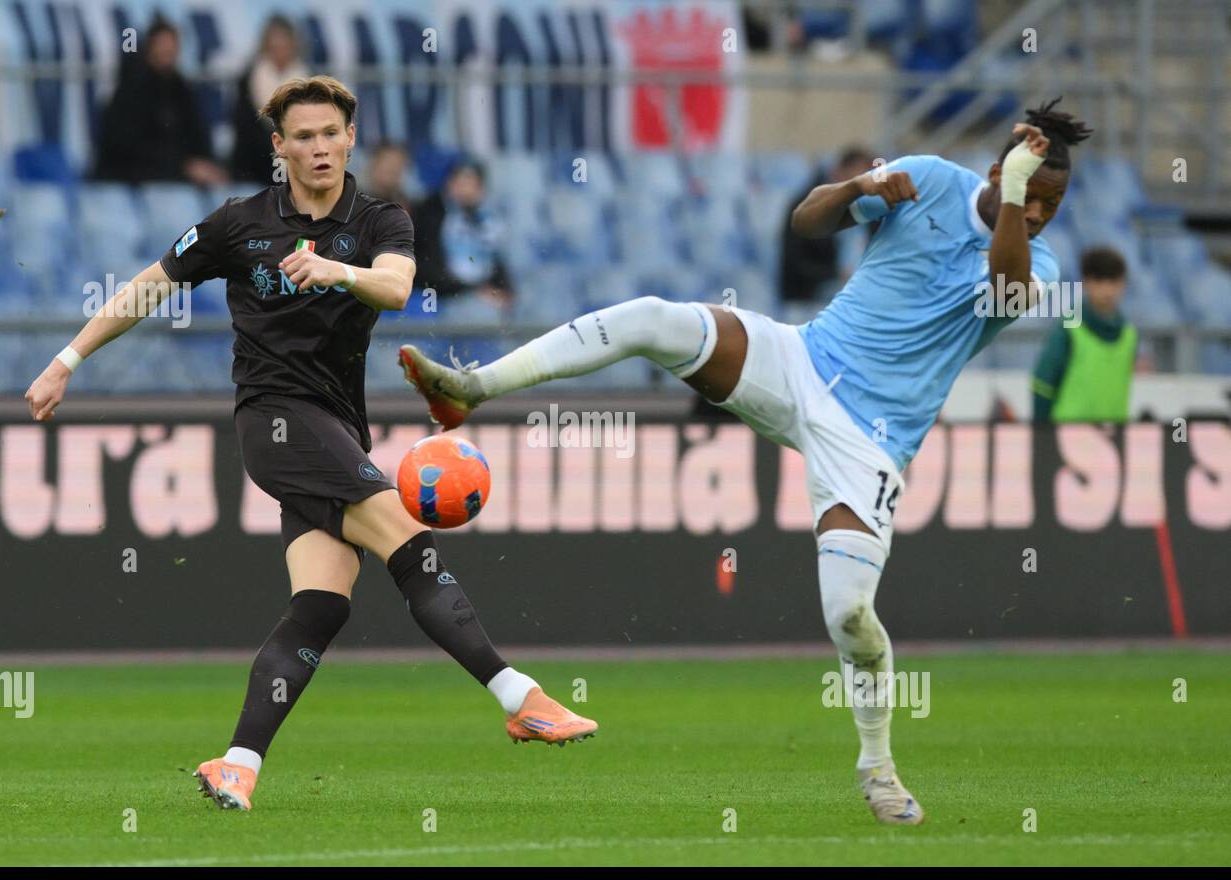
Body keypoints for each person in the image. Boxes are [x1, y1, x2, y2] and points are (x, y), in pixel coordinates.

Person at [398, 99, 1092, 826]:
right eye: (1036, 195)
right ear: (993, 169)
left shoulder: (1033, 256)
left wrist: (1015, 193)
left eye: (1054, 202)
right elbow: (807, 222)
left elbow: (1009, 286)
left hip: (871, 441)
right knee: (651, 320)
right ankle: (473, 388)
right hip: (802, 359)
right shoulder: (929, 178)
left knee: (851, 614)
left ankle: (877, 765)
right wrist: (860, 190)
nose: (1043, 212)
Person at [24, 75, 596, 813]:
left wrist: (335, 269)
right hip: (274, 420)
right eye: (303, 136)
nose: (319, 147)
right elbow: (150, 285)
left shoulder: (381, 218)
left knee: (321, 608)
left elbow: (395, 289)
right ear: (279, 147)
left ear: (350, 138)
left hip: (336, 426)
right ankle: (519, 695)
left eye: (331, 133)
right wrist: (66, 361)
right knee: (409, 542)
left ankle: (237, 764)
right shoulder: (239, 223)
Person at [92, 17, 228, 187]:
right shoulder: (131, 89)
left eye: (171, 45)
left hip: (172, 180)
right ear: (149, 48)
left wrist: (205, 165)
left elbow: (198, 136)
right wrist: (184, 166)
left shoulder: (182, 90)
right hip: (131, 181)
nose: (167, 50)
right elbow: (127, 148)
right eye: (162, 44)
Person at [1031, 246, 1136, 423]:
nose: (1107, 289)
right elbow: (1043, 385)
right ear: (1086, 283)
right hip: (1069, 437)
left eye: (1113, 281)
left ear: (1123, 284)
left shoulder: (1129, 335)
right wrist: (1042, 435)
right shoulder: (1068, 330)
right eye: (1099, 281)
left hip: (1115, 436)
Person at [411, 158, 513, 318]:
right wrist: (471, 289)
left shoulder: (487, 220)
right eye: (459, 182)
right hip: (439, 297)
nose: (465, 190)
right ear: (448, 184)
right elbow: (427, 267)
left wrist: (504, 291)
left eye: (472, 184)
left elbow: (495, 262)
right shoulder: (430, 216)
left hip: (476, 297)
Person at [779, 147, 874, 308]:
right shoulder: (806, 207)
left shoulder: (871, 210)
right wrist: (836, 274)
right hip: (808, 302)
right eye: (857, 179)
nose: (863, 188)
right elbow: (795, 262)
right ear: (839, 171)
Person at [229, 15, 308, 185]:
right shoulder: (249, 78)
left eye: (284, 43)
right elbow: (244, 126)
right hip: (252, 167)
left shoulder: (308, 79)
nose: (279, 49)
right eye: (274, 44)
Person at [364, 140, 413, 213]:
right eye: (388, 163)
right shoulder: (354, 199)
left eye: (398, 165)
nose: (393, 170)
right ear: (374, 165)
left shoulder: (404, 203)